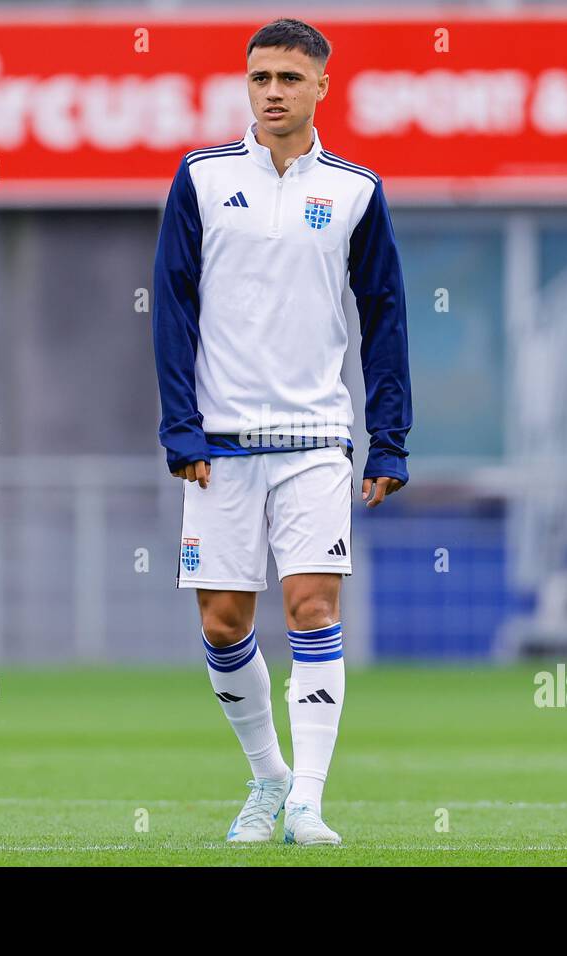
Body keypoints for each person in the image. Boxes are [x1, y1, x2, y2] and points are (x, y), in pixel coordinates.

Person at [152, 17, 412, 846]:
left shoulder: (356, 191)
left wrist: (390, 436)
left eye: (290, 78)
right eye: (261, 77)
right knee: (224, 622)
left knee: (310, 605)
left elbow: (385, 315)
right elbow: (172, 305)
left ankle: (307, 799)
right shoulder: (199, 177)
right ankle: (267, 776)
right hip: (220, 444)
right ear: (247, 83)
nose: (273, 91)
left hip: (314, 441)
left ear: (322, 86)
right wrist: (179, 426)